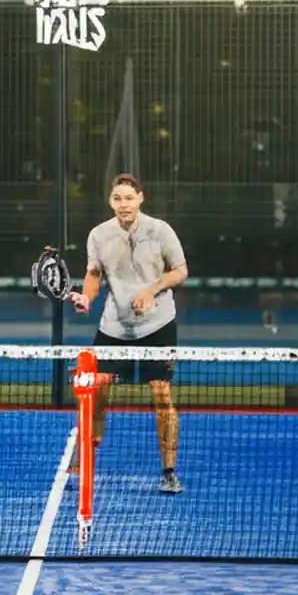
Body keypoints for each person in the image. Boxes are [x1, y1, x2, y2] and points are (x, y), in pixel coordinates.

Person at [68, 173, 189, 494]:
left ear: (140, 198)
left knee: (162, 394)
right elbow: (94, 274)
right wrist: (87, 297)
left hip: (158, 324)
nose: (124, 204)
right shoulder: (98, 235)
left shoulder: (160, 231)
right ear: (111, 202)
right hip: (114, 326)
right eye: (117, 199)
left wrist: (152, 291)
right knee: (96, 392)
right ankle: (85, 463)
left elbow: (180, 271)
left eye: (129, 198)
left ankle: (169, 471)